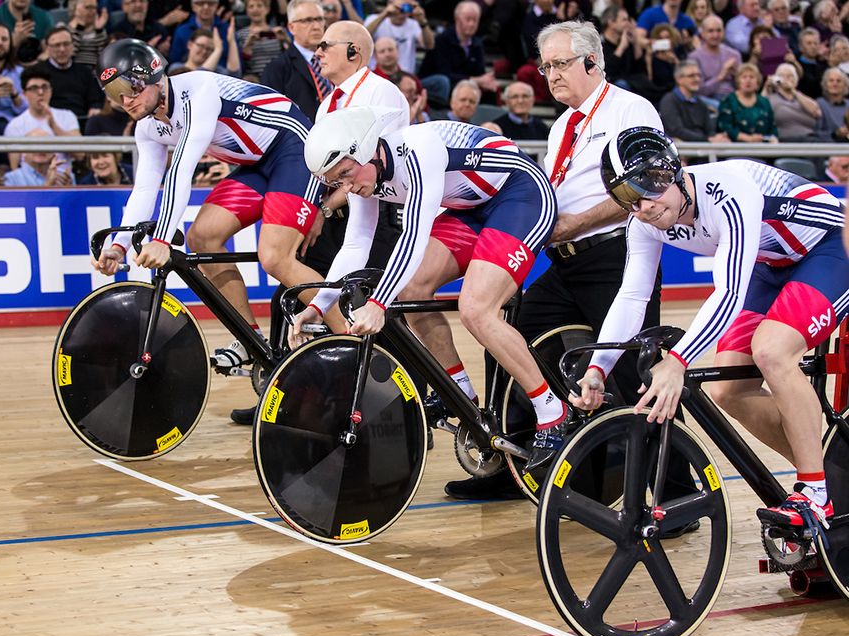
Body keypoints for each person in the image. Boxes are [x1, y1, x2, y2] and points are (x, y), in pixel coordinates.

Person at [444, 20, 697, 514]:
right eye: (545, 66)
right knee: (509, 340)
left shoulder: (631, 108)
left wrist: (575, 221)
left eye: (560, 64)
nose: (550, 75)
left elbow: (645, 184)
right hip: (562, 259)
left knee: (637, 372)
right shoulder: (562, 122)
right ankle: (515, 466)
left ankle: (680, 495)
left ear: (592, 63)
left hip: (614, 256)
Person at [579, 126, 846, 532]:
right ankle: (829, 479)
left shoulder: (728, 190)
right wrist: (599, 366)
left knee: (773, 351)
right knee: (727, 389)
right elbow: (633, 296)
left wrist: (679, 360)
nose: (643, 207)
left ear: (672, 171)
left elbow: (730, 291)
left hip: (829, 247)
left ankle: (814, 494)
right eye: (626, 199)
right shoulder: (644, 223)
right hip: (771, 262)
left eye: (646, 189)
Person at [294, 106, 563, 481]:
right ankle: (461, 395)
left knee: (475, 309)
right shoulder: (361, 174)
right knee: (410, 288)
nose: (347, 187)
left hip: (520, 193)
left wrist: (377, 304)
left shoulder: (418, 149)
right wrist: (318, 304)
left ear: (369, 149)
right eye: (335, 182)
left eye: (345, 175)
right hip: (470, 207)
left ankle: (551, 412)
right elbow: (355, 245)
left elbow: (413, 238)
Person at [90, 39, 342, 370]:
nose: (125, 100)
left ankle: (350, 337)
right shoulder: (148, 127)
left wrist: (163, 238)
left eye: (129, 88)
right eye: (114, 93)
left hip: (292, 146)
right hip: (255, 164)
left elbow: (181, 168)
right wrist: (119, 246)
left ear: (151, 75)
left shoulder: (197, 91)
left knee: (274, 256)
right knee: (202, 237)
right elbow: (145, 188)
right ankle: (250, 341)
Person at [228, 18, 411, 426]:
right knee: (293, 294)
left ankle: (395, 410)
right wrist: (314, 210)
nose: (318, 52)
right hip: (340, 212)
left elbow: (375, 166)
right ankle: (287, 392)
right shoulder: (330, 101)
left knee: (369, 308)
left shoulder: (382, 92)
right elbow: (317, 167)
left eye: (327, 45)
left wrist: (326, 208)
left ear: (354, 52)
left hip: (375, 211)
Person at [417, 1, 497, 109]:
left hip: (462, 82)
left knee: (491, 89)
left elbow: (480, 73)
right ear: (457, 19)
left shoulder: (477, 43)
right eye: (468, 20)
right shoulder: (442, 40)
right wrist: (474, 80)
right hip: (436, 83)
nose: (472, 24)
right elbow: (444, 73)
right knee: (444, 82)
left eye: (475, 20)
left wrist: (486, 82)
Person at [260, 0, 328, 120]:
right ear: (291, 28)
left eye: (319, 19)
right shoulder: (276, 68)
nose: (316, 26)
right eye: (307, 20)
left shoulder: (337, 59)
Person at [3, 65, 80, 169]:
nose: (40, 92)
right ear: (24, 94)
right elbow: (15, 168)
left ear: (51, 91)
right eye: (34, 88)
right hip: (30, 183)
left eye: (45, 87)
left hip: (63, 182)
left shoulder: (67, 116)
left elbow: (80, 154)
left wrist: (54, 127)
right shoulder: (15, 126)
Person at [41, 25, 104, 118]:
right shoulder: (38, 73)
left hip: (82, 121)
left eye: (66, 44)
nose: (62, 49)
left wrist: (95, 108)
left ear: (73, 46)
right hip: (50, 121)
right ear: (47, 48)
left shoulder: (85, 72)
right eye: (56, 45)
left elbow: (96, 100)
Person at [659, 59, 729, 142]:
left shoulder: (701, 104)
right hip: (681, 149)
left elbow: (710, 132)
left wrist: (717, 138)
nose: (697, 79)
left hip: (702, 147)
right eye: (691, 76)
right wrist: (707, 139)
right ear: (679, 79)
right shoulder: (669, 101)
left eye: (698, 75)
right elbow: (677, 131)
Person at [363, 0, 433, 76]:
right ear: (389, 4)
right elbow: (364, 37)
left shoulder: (414, 24)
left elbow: (429, 45)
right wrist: (385, 14)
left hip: (405, 76)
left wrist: (422, 22)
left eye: (407, 6)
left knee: (440, 81)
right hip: (378, 74)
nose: (403, 10)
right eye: (400, 6)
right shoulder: (373, 19)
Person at [717, 63, 779, 143]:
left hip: (762, 147)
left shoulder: (764, 102)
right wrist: (748, 139)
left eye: (752, 77)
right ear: (738, 81)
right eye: (744, 77)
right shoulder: (728, 101)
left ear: (757, 82)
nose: (748, 80)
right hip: (735, 148)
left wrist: (772, 139)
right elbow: (725, 127)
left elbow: (772, 128)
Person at [764, 61, 821, 141]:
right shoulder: (772, 98)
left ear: (796, 80)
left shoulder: (802, 97)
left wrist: (793, 91)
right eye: (782, 76)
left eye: (790, 76)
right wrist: (766, 87)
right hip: (784, 140)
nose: (786, 79)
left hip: (809, 138)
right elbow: (759, 109)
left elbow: (816, 112)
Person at [690, 14, 741, 103]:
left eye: (718, 31)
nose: (715, 35)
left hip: (733, 98)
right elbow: (699, 90)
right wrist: (721, 75)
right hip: (707, 100)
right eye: (710, 31)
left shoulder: (734, 54)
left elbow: (743, 86)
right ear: (702, 34)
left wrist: (736, 74)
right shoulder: (694, 57)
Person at [3, 129, 75, 185]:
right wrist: (48, 185)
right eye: (34, 144)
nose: (40, 149)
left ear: (54, 151)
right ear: (23, 152)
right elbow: (20, 204)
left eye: (45, 144)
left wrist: (68, 191)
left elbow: (74, 203)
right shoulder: (11, 178)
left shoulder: (66, 177)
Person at [236, 0, 286, 79]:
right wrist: (249, 43)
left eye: (259, 6)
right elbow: (240, 63)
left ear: (267, 9)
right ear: (246, 10)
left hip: (278, 76)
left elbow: (290, 56)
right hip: (254, 79)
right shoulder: (241, 34)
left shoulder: (278, 31)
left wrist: (286, 39)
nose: (255, 9)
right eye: (251, 6)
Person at [168, 0, 227, 66]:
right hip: (189, 73)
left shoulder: (227, 29)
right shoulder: (182, 31)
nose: (206, 7)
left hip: (220, 74)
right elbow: (174, 60)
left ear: (217, 5)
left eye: (211, 3)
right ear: (193, 6)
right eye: (200, 3)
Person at [66, 0, 109, 68]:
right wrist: (79, 28)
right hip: (75, 69)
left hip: (95, 70)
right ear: (74, 8)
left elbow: (103, 55)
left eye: (94, 7)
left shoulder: (99, 30)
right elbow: (70, 55)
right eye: (88, 7)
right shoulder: (65, 30)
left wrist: (99, 31)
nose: (93, 11)